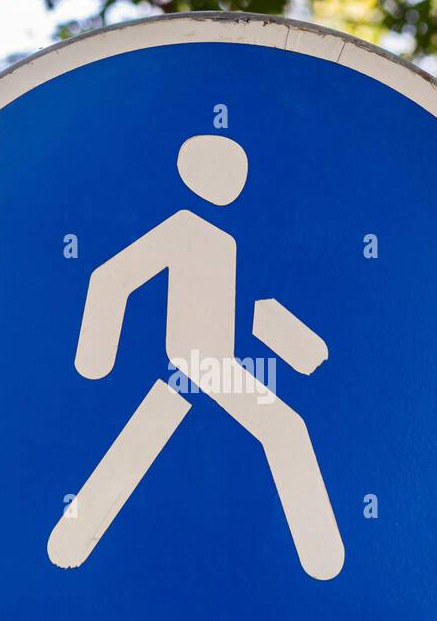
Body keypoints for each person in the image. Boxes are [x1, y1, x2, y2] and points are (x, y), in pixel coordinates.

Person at [47, 135, 344, 580]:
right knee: (283, 428)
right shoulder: (184, 228)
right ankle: (323, 559)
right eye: (224, 169)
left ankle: (70, 540)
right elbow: (112, 278)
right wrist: (96, 356)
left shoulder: (232, 242)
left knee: (141, 442)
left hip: (217, 361)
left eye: (238, 169)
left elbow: (253, 311)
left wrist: (305, 351)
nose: (236, 181)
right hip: (197, 360)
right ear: (196, 174)